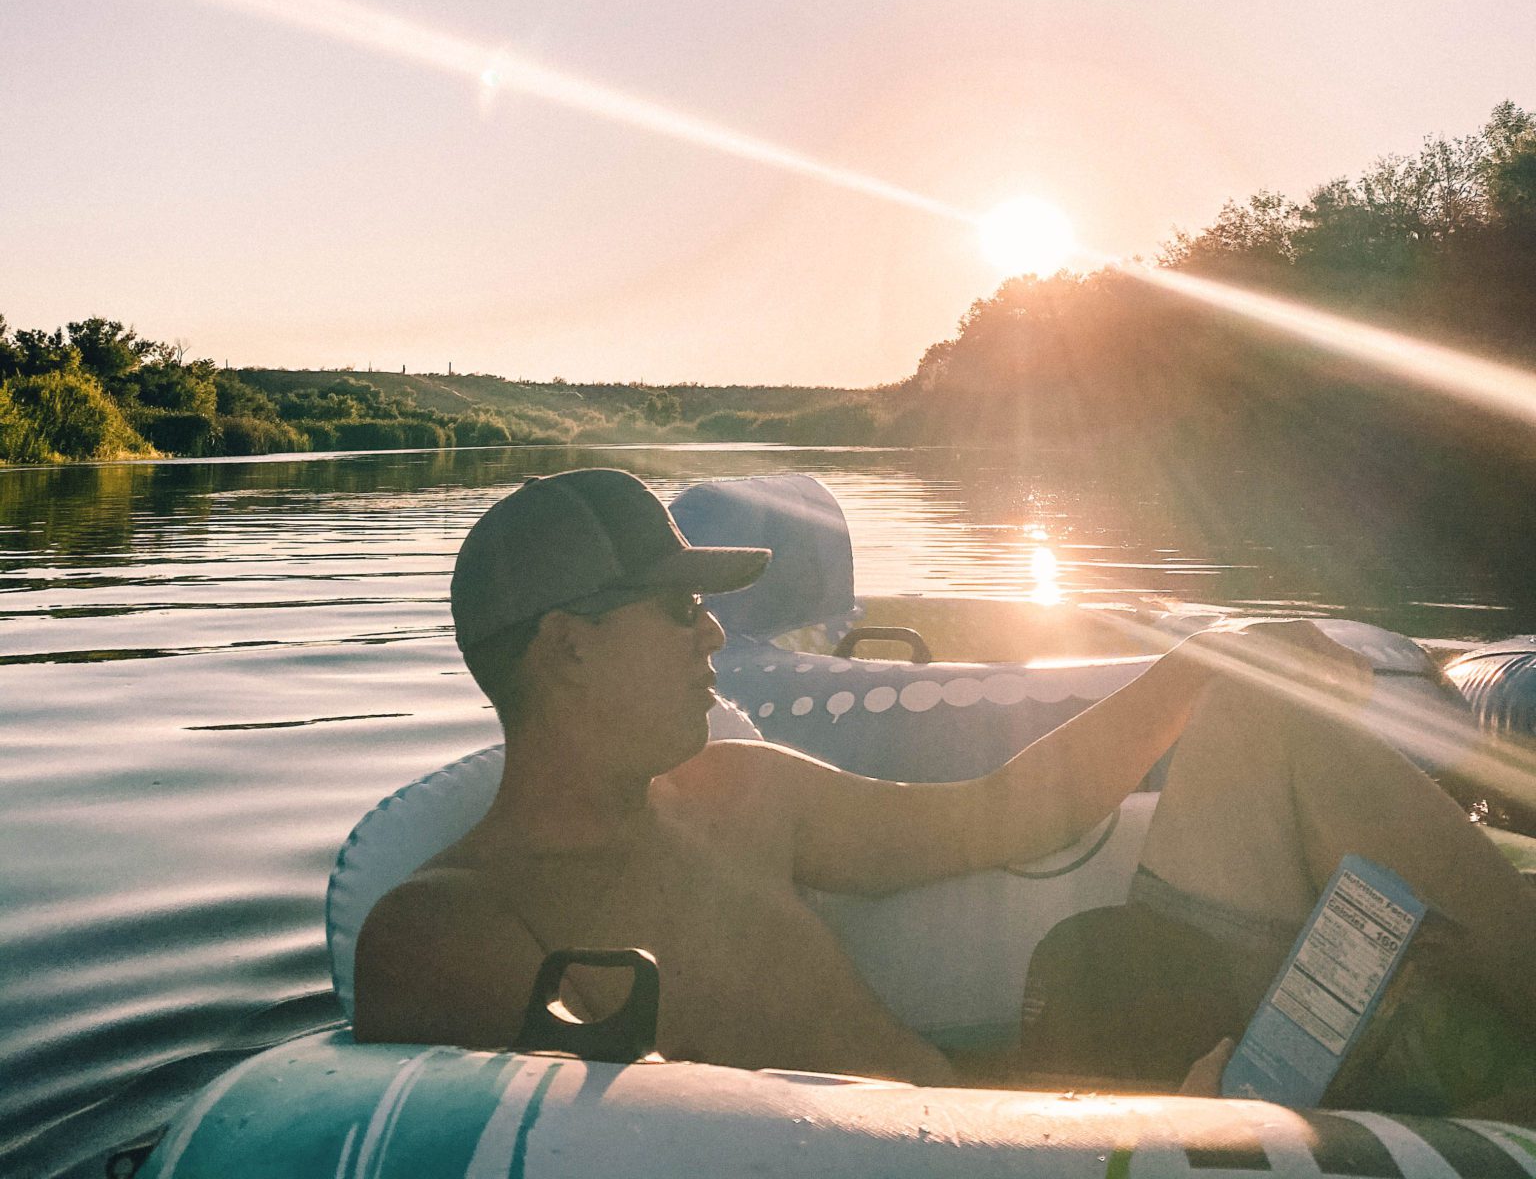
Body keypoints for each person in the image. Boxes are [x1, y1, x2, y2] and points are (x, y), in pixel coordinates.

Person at [353, 470, 1536, 1113]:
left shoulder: (744, 794)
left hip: (1035, 1119)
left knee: (1263, 710)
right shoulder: (446, 926)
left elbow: (1010, 812)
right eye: (677, 604)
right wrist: (1161, 1139)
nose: (712, 630)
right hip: (1024, 1157)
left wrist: (1199, 668)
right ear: (564, 647)